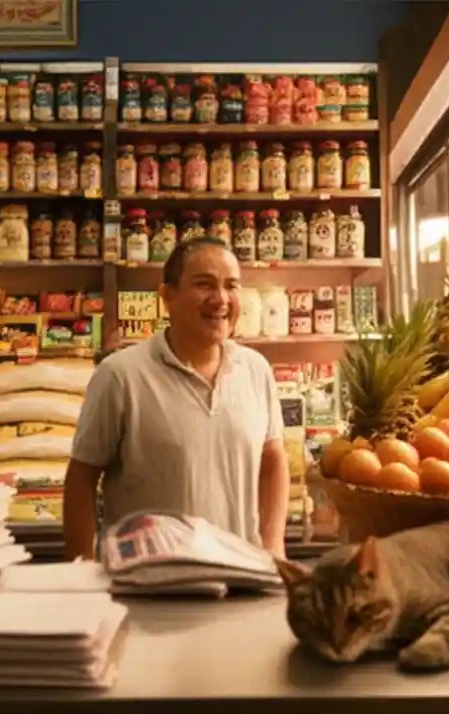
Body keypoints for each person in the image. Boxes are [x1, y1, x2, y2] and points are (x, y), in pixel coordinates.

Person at [63, 237, 290, 560]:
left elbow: (273, 460)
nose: (221, 299)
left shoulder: (255, 370)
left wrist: (273, 545)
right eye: (204, 285)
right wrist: (81, 567)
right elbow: (82, 476)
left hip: (244, 578)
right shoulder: (121, 375)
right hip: (148, 587)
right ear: (167, 296)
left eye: (231, 286)